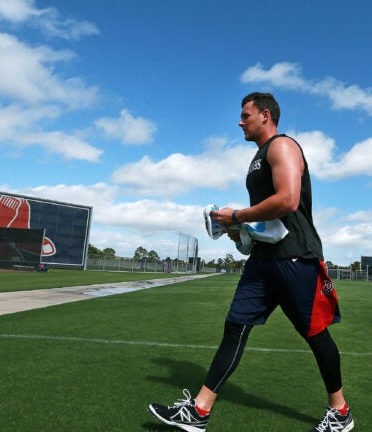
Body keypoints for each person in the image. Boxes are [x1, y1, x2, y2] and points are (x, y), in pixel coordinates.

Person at [148, 92, 353, 432]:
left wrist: (238, 214)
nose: (240, 121)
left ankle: (340, 411)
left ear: (265, 115)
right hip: (264, 261)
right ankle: (199, 412)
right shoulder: (257, 157)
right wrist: (240, 229)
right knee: (235, 329)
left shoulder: (282, 146)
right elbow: (269, 220)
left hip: (296, 258)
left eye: (246, 114)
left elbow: (287, 200)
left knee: (316, 335)